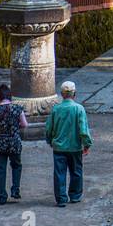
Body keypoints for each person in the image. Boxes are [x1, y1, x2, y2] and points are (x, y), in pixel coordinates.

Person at [45, 80, 92, 208]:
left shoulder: (56, 109)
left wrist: (49, 140)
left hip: (59, 147)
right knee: (76, 171)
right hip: (75, 147)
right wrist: (86, 144)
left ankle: (61, 198)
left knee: (59, 173)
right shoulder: (79, 109)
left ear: (62, 94)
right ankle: (75, 195)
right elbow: (83, 130)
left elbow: (49, 128)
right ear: (74, 93)